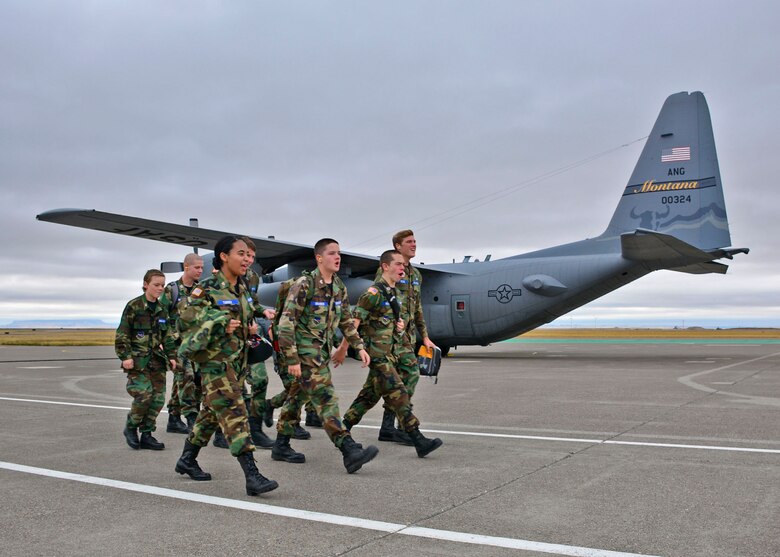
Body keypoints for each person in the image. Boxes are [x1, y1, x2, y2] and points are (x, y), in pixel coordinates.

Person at [174, 235, 278, 496]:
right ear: (223, 256)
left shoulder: (241, 288)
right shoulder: (206, 289)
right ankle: (252, 476)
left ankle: (187, 459)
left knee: (209, 416)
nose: (247, 259)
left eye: (249, 255)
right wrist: (219, 320)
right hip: (214, 365)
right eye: (241, 254)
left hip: (237, 363)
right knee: (235, 413)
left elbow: (248, 306)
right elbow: (186, 316)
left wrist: (261, 312)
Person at [272, 238, 379, 474]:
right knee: (326, 398)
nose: (337, 257)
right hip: (304, 353)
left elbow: (346, 321)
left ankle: (280, 444)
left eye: (339, 253)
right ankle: (348, 449)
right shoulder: (305, 284)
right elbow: (286, 323)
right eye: (332, 253)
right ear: (319, 258)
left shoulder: (338, 286)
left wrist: (359, 347)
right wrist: (291, 359)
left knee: (296, 398)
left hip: (320, 352)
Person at [338, 250, 442, 458]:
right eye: (397, 264)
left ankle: (343, 429)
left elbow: (389, 324)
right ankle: (418, 439)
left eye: (403, 265)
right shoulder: (373, 294)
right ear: (385, 266)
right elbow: (353, 323)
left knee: (368, 396)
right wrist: (343, 349)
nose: (402, 268)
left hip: (391, 353)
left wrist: (399, 327)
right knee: (398, 393)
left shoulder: (394, 294)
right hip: (378, 355)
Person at [376, 230, 437, 444]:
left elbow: (417, 308)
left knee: (403, 381)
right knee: (393, 384)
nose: (414, 245)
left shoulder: (416, 275)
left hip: (407, 339)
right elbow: (380, 300)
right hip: (391, 339)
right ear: (397, 246)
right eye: (409, 242)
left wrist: (425, 337)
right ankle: (400, 427)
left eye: (415, 241)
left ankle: (391, 428)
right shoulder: (388, 270)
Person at [115, 269, 178, 451]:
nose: (160, 289)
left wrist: (172, 356)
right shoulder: (134, 306)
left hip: (157, 361)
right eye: (156, 285)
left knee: (157, 400)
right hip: (138, 361)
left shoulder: (161, 309)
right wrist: (125, 356)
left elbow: (167, 336)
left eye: (162, 285)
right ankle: (131, 427)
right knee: (144, 396)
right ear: (145, 285)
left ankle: (147, 434)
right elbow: (123, 333)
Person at [163, 253, 204, 434]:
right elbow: (161, 316)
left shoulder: (200, 290)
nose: (200, 271)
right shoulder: (172, 290)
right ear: (186, 267)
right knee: (186, 377)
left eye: (202, 268)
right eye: (197, 268)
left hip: (194, 344)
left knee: (188, 380)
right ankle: (191, 416)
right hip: (177, 343)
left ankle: (173, 418)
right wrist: (164, 342)